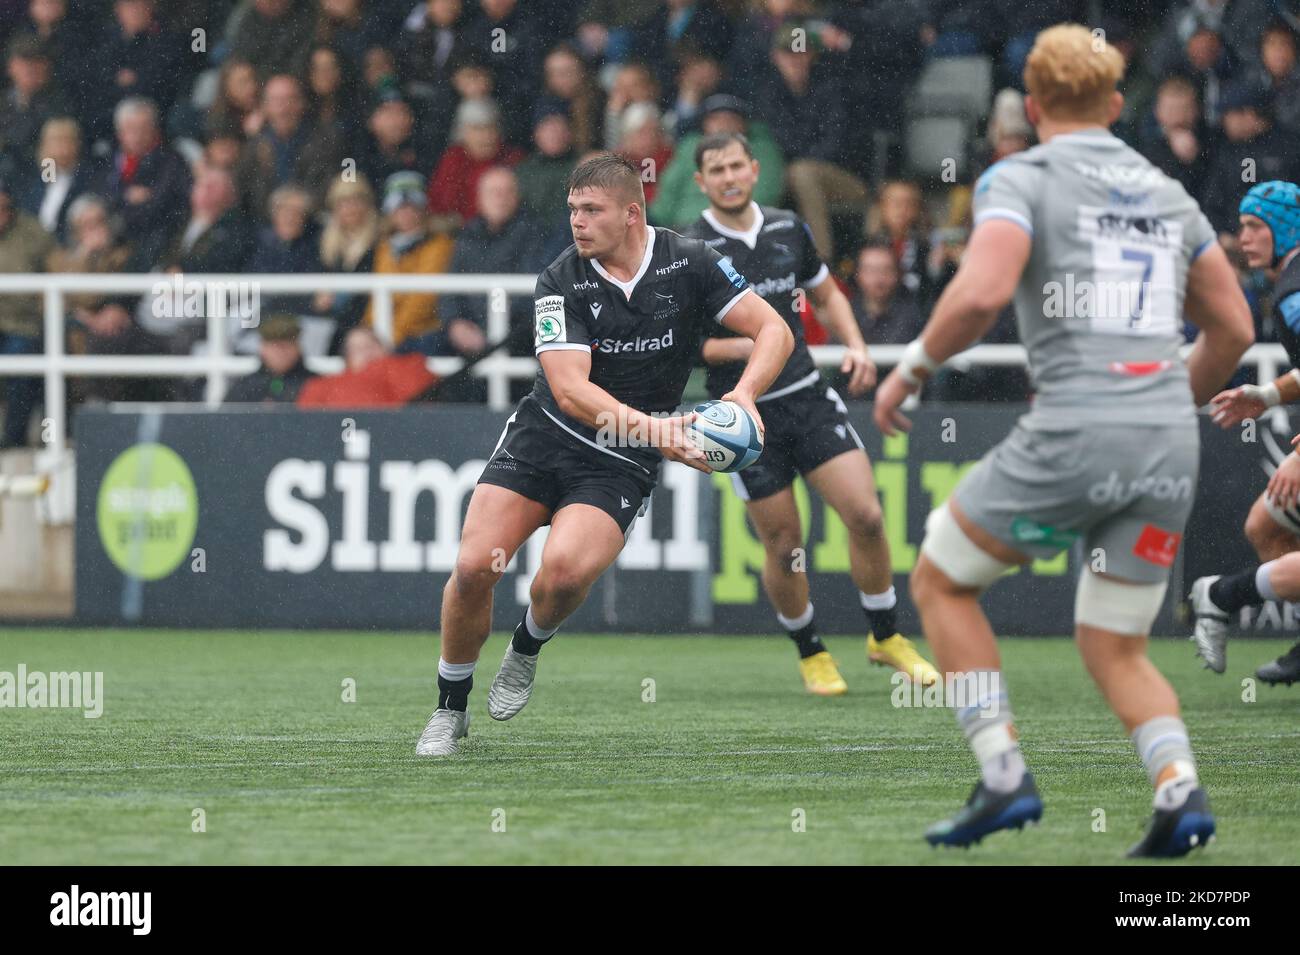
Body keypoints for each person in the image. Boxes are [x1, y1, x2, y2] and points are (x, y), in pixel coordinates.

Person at [872, 24, 1253, 857]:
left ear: (1035, 105)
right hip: (1163, 446)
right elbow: (1231, 326)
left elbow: (979, 294)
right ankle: (1179, 790)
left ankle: (1003, 771)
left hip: (1077, 428)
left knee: (940, 578)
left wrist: (909, 368)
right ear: (1117, 104)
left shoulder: (1020, 175)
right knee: (1113, 641)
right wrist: (1163, 403)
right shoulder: (1166, 191)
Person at [415, 153, 794, 756]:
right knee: (473, 568)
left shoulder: (690, 262)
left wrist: (745, 395)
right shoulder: (561, 278)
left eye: (591, 210)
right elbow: (570, 390)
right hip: (545, 438)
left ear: (632, 213)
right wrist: (661, 432)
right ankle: (449, 708)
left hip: (618, 458)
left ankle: (527, 647)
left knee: (561, 576)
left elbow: (775, 329)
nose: (578, 222)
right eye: (572, 210)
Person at [685, 131, 939, 696]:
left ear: (753, 170)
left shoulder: (786, 228)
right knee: (785, 545)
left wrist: (855, 344)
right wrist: (750, 348)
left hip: (805, 394)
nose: (728, 177)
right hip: (744, 416)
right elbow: (691, 346)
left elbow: (825, 294)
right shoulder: (692, 249)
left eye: (735, 165)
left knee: (868, 517)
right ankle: (811, 650)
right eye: (715, 170)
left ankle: (885, 635)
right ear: (701, 182)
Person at [1188, 180, 1300, 684]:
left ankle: (1220, 595)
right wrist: (1268, 396)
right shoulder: (1289, 284)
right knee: (1265, 527)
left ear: (1284, 228)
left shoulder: (1295, 290)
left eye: (1256, 226)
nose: (1243, 237)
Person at [222, 313, 316, 403]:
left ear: (298, 347)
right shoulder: (245, 388)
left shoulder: (317, 385)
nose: (280, 353)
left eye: (286, 346)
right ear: (262, 348)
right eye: (274, 346)